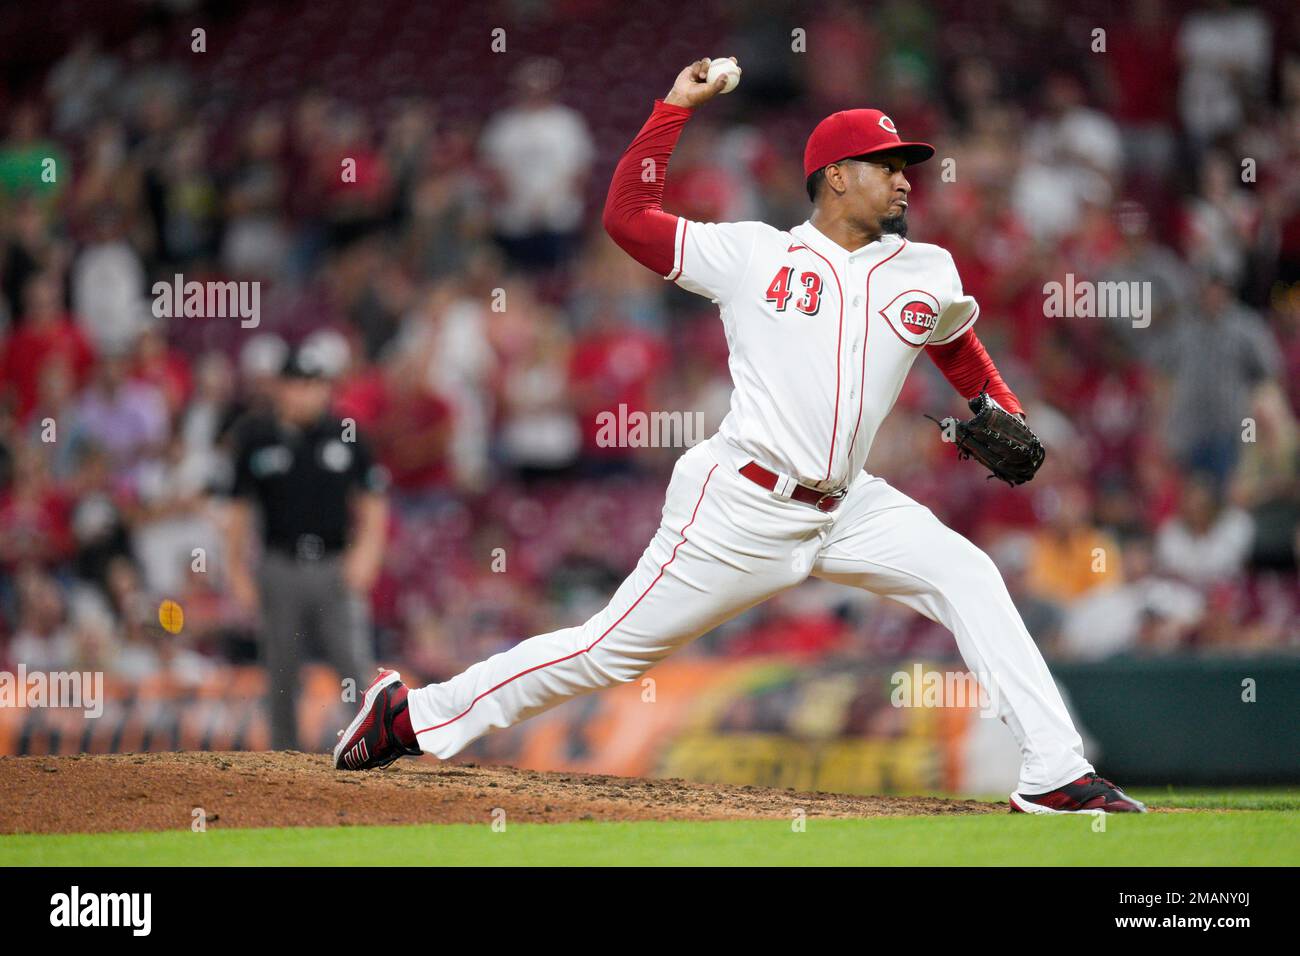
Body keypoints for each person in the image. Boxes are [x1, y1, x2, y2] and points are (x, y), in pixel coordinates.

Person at [335, 58, 1145, 814]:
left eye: (907, 164)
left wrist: (1001, 407)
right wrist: (672, 111)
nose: (905, 178)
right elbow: (627, 219)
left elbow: (955, 345)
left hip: (851, 505)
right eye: (887, 163)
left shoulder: (925, 268)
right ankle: (412, 716)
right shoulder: (753, 254)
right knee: (608, 652)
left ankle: (1053, 770)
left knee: (968, 575)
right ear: (836, 177)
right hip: (743, 505)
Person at [224, 342, 389, 750]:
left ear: (325, 388)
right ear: (280, 388)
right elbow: (237, 512)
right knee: (280, 672)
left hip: (335, 566)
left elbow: (372, 503)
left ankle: (376, 750)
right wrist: (237, 573)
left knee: (353, 665)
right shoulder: (255, 437)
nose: (304, 393)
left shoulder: (346, 434)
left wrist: (366, 557)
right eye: (295, 384)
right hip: (280, 565)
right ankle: (285, 763)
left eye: (312, 384)